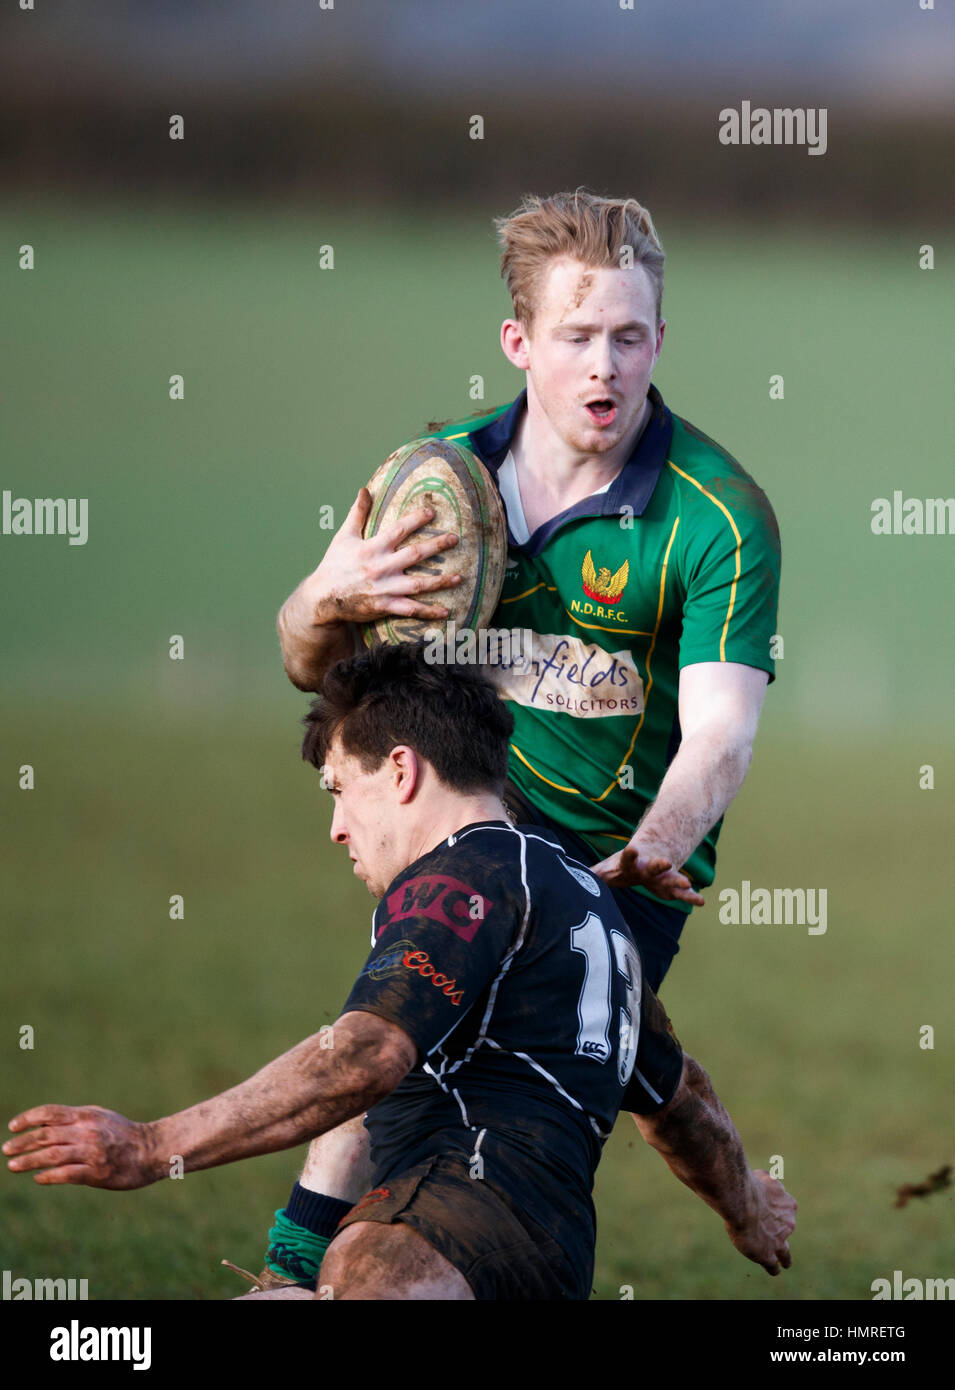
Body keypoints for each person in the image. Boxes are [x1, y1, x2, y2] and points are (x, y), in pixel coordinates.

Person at [255, 190, 782, 1292]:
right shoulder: (433, 484)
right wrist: (321, 592)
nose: (606, 367)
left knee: (596, 1067)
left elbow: (722, 735)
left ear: (659, 341)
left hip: (617, 857)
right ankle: (293, 1270)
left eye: (628, 337)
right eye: (577, 337)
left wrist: (657, 846)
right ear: (519, 342)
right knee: (407, 1029)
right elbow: (313, 662)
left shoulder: (717, 514)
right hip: (465, 822)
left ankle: (728, 1192)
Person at [5, 646, 796, 1300]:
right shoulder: (585, 904)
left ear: (402, 771)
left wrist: (150, 1145)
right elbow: (680, 1096)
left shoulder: (459, 881)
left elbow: (362, 1059)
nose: (337, 828)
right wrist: (747, 1210)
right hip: (552, 1256)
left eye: (341, 790)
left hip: (436, 1226)